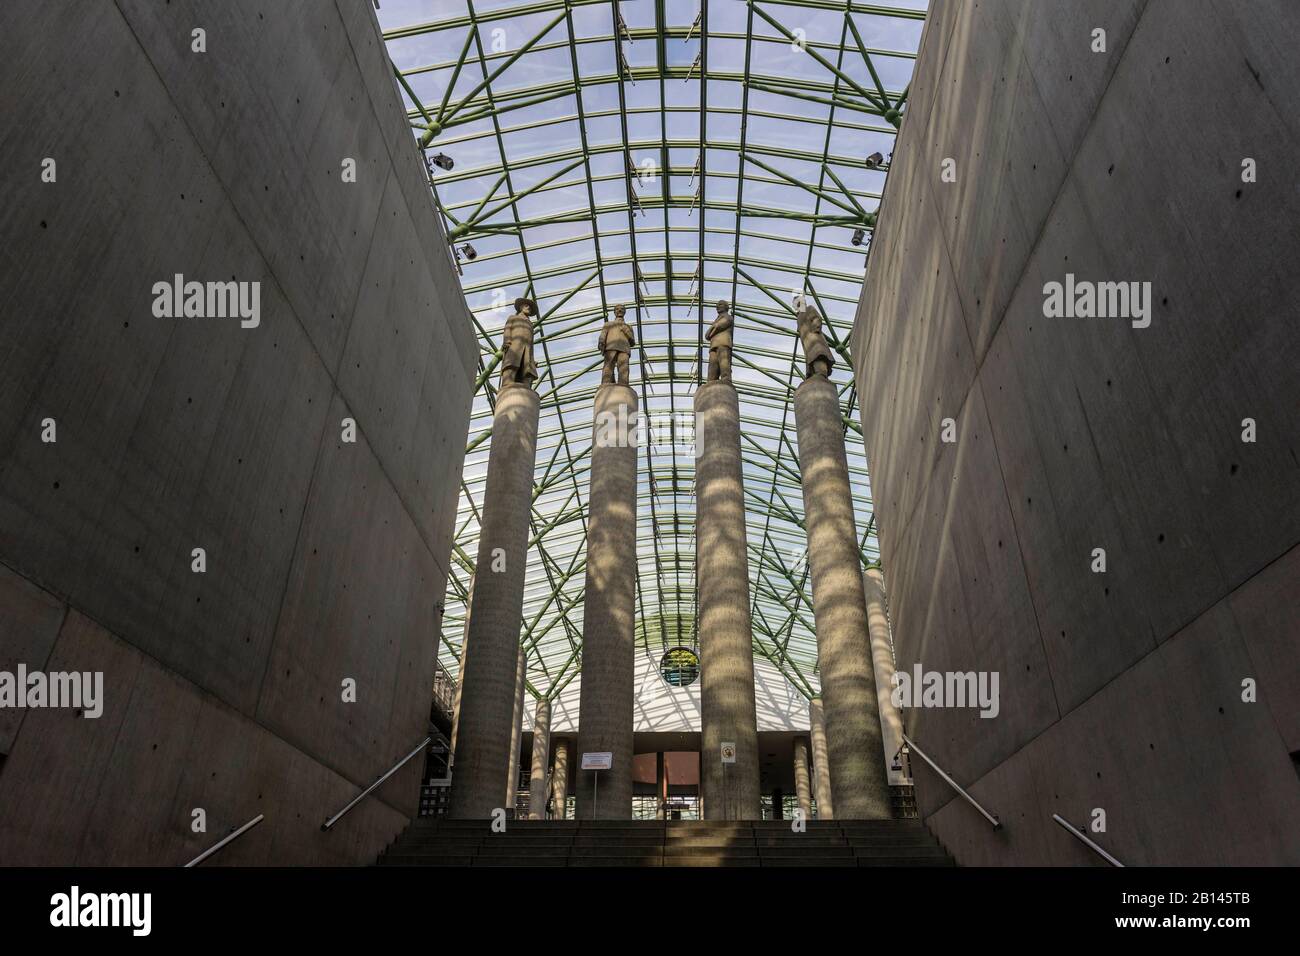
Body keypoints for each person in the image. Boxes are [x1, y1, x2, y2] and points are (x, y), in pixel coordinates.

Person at [500, 296, 539, 388]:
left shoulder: (530, 324)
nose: (528, 308)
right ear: (520, 307)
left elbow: (531, 342)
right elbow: (507, 329)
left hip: (527, 348)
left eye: (530, 307)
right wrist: (507, 341)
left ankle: (525, 386)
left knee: (527, 369)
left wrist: (532, 360)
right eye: (526, 306)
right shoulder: (513, 317)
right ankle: (507, 383)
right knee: (512, 364)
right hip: (515, 345)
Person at [598, 304, 635, 385]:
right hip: (611, 347)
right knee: (608, 366)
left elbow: (632, 342)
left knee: (624, 367)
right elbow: (603, 334)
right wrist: (601, 341)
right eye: (617, 309)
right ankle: (605, 383)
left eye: (622, 309)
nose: (619, 310)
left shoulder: (628, 327)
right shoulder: (608, 324)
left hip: (624, 349)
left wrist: (627, 332)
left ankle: (623, 385)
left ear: (624, 312)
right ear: (614, 312)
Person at [796, 303, 835, 379]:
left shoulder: (809, 309)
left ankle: (821, 373)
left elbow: (817, 318)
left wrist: (816, 328)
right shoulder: (799, 318)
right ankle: (813, 373)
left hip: (814, 338)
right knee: (812, 357)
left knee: (817, 355)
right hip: (807, 342)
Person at [706, 299, 734, 382]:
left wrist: (712, 328)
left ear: (726, 307)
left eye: (720, 305)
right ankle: (711, 382)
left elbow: (718, 326)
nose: (718, 306)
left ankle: (726, 380)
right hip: (713, 345)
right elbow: (707, 336)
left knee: (724, 362)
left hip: (723, 343)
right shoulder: (717, 319)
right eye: (717, 306)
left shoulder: (728, 317)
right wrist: (712, 329)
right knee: (712, 366)